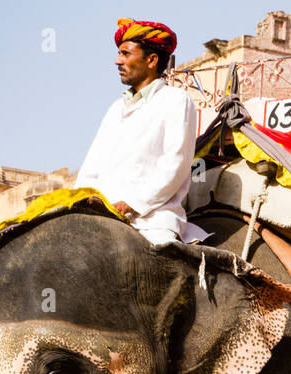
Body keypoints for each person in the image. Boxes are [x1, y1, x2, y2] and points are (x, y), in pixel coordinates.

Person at [74, 18, 207, 247]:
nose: (118, 61)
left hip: (151, 223)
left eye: (126, 54)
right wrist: (79, 202)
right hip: (103, 221)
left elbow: (175, 166)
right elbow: (91, 169)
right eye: (119, 54)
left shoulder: (176, 101)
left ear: (152, 60)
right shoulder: (115, 109)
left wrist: (130, 204)